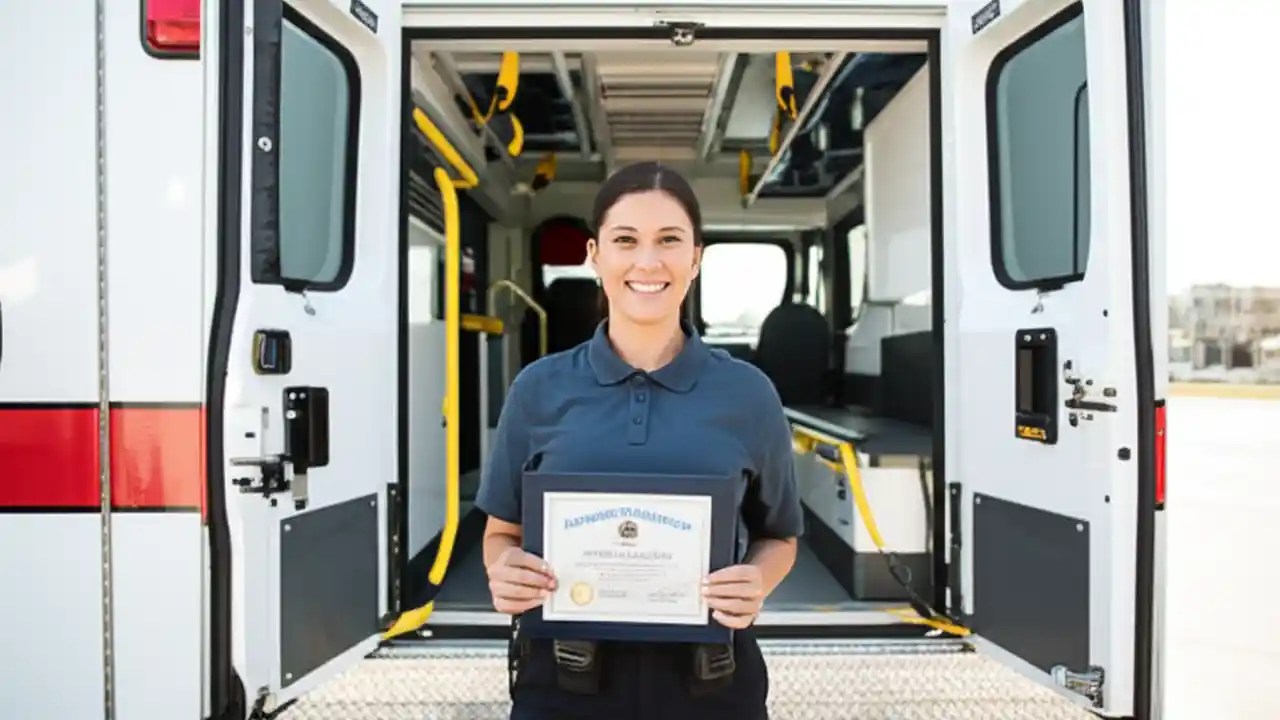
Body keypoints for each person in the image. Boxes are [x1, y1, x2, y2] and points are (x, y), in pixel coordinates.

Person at [474, 161, 804, 719]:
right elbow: (501, 533)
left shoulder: (748, 394)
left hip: (713, 687)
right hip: (561, 685)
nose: (647, 262)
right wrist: (502, 570)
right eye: (625, 240)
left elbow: (781, 538)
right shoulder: (539, 388)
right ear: (595, 256)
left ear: (696, 257)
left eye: (669, 240)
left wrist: (757, 581)